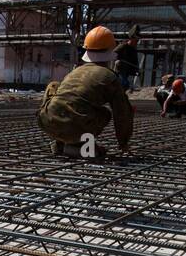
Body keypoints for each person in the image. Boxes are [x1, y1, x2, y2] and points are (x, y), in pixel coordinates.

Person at [36, 26, 133, 158]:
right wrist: (123, 143)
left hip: (48, 122)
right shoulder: (110, 77)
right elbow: (122, 113)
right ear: (110, 52)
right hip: (77, 126)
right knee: (104, 113)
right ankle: (80, 147)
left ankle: (62, 143)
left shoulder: (75, 71)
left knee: (56, 88)